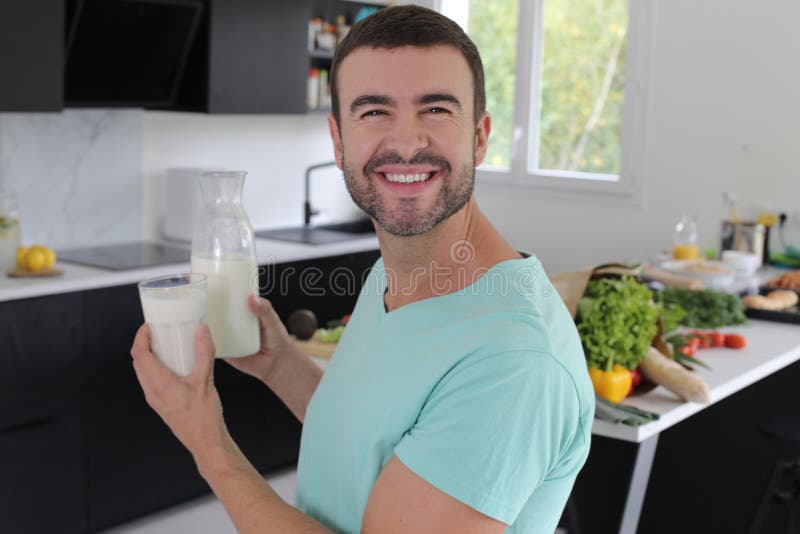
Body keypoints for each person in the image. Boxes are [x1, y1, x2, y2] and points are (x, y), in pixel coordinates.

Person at [130, 5, 594, 533]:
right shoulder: (394, 275)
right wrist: (280, 365)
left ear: (481, 137)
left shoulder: (514, 359)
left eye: (436, 110)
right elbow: (375, 437)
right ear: (338, 140)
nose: (405, 142)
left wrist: (207, 443)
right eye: (374, 112)